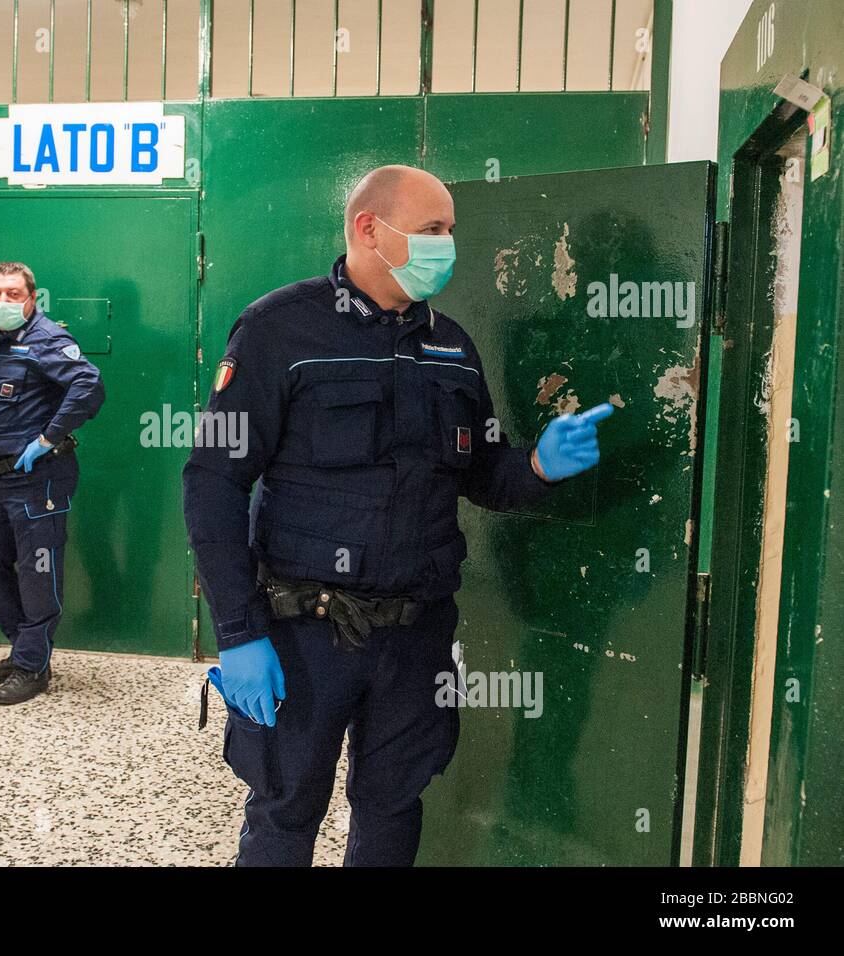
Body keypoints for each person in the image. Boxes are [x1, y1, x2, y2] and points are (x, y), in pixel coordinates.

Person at [182, 165, 612, 865]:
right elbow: (212, 484)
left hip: (414, 638)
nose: (447, 245)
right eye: (431, 230)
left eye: (450, 230)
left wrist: (536, 468)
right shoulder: (278, 331)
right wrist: (237, 633)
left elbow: (481, 477)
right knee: (285, 809)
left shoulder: (454, 349)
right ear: (367, 229)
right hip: (304, 633)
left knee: (392, 807)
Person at [0, 262, 105, 705]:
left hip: (38, 479)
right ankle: (27, 648)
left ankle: (32, 667)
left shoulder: (47, 339)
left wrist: (48, 438)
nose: (3, 302)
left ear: (32, 298)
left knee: (37, 573)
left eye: (13, 294)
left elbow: (88, 384)